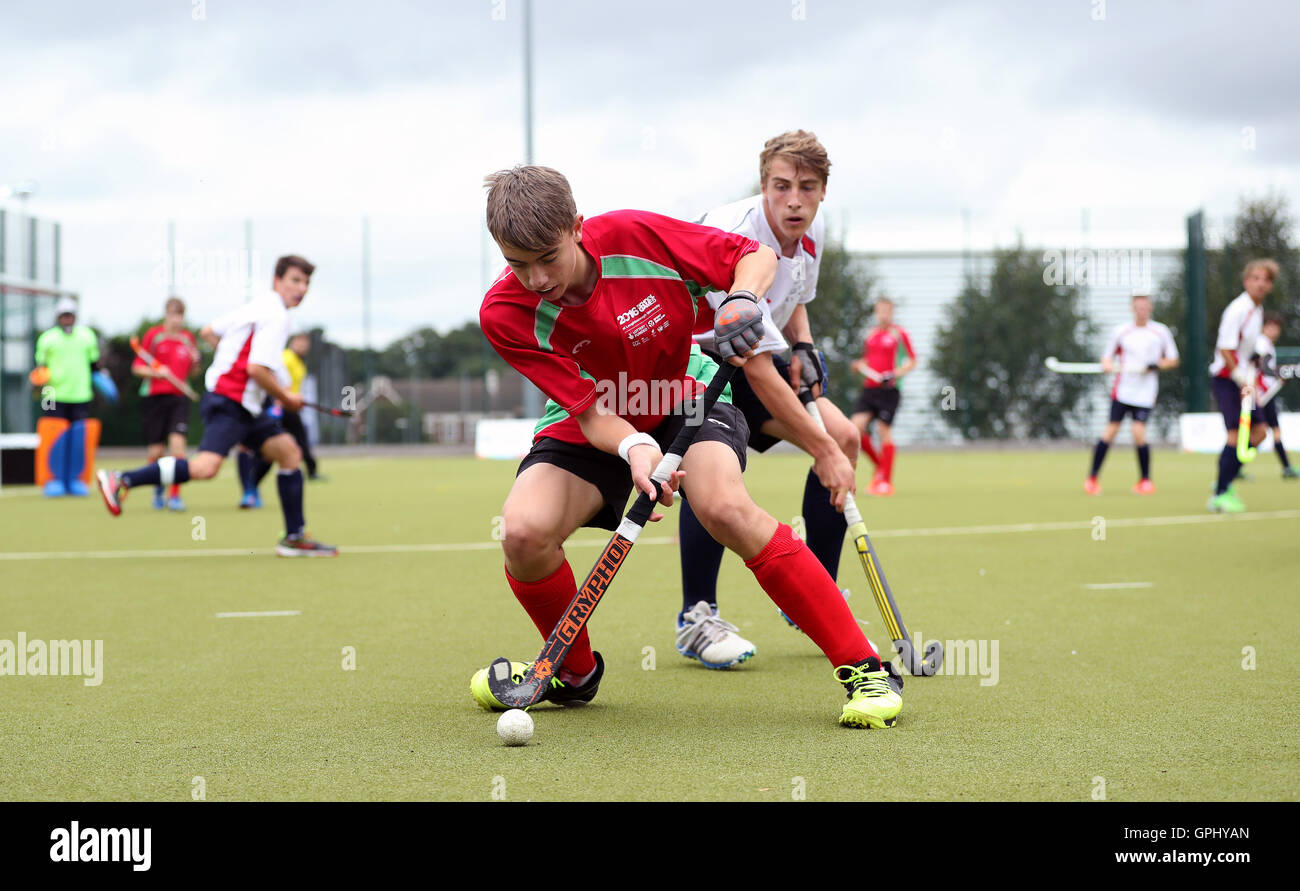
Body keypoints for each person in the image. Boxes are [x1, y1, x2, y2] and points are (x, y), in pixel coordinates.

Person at [468, 165, 901, 728]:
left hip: (687, 395)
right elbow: (592, 412)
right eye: (516, 263)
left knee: (724, 508)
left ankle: (864, 670)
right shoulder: (504, 312)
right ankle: (571, 671)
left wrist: (742, 300)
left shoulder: (635, 237)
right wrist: (636, 448)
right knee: (523, 533)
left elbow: (753, 255)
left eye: (548, 257)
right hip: (594, 419)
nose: (537, 278)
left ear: (577, 227)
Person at [673, 130, 859, 669]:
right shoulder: (731, 233)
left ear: (823, 191)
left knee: (845, 437)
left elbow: (795, 295)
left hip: (754, 356)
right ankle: (696, 617)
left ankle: (811, 597)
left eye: (807, 187)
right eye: (782, 187)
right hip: (691, 362)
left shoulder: (812, 229)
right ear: (764, 186)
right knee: (712, 470)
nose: (794, 200)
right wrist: (820, 450)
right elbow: (755, 367)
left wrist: (803, 343)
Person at [97, 255, 337, 556]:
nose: (301, 289)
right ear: (277, 281)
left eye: (306, 283)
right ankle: (122, 479)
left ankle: (293, 538)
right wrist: (286, 398)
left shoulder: (257, 306)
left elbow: (209, 331)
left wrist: (229, 361)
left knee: (289, 452)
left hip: (244, 404)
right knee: (204, 467)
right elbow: (256, 370)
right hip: (230, 401)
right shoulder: (277, 316)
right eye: (295, 280)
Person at [1083, 291, 1179, 495]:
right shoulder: (1121, 332)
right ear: (1132, 308)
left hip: (1145, 392)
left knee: (1138, 432)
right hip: (1123, 390)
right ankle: (1092, 478)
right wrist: (1107, 365)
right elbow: (1106, 357)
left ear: (1150, 308)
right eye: (1138, 307)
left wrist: (1157, 365)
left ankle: (1145, 480)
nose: (1141, 311)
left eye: (1145, 307)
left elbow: (1173, 359)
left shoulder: (1160, 332)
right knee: (1110, 431)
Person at [1207, 259, 1276, 513]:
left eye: (1265, 279)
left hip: (1243, 379)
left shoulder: (1257, 311)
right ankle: (1220, 494)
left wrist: (1255, 363)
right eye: (1255, 278)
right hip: (1227, 380)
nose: (1260, 283)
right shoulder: (1238, 309)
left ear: (1269, 285)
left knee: (1259, 433)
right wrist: (1240, 378)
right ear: (1246, 281)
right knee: (1235, 436)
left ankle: (1224, 479)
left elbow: (1245, 348)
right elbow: (1225, 348)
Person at [33, 297, 117, 496]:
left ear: (75, 316)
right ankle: (54, 480)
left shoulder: (86, 336)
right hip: (52, 394)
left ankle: (75, 479)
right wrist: (37, 382)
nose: (67, 319)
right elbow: (40, 368)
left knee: (78, 437)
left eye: (70, 315)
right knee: (53, 436)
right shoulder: (47, 338)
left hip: (80, 394)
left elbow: (94, 366)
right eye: (64, 315)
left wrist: (106, 385)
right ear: (58, 317)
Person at [131, 296, 200, 510]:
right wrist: (157, 372)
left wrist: (196, 361)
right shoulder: (154, 336)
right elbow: (137, 367)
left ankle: (175, 495)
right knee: (156, 451)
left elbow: (193, 372)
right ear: (166, 315)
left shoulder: (188, 339)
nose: (175, 319)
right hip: (154, 398)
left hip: (179, 399)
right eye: (172, 314)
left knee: (178, 445)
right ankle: (158, 488)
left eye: (179, 315)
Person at [849, 297, 915, 496]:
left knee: (882, 429)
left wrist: (894, 374)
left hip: (889, 390)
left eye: (887, 310)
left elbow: (911, 361)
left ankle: (885, 481)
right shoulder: (870, 335)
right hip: (869, 389)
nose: (883, 314)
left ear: (892, 312)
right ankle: (881, 467)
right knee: (854, 429)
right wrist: (859, 365)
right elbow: (867, 360)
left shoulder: (899, 334)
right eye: (880, 310)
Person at [1253, 311, 1296, 479]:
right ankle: (1235, 467)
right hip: (1259, 395)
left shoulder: (1268, 345)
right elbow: (1260, 367)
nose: (1274, 330)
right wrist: (1278, 374)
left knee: (1275, 431)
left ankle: (1286, 467)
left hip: (1268, 395)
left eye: (1276, 327)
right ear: (1263, 327)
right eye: (1270, 326)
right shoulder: (1261, 343)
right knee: (1259, 433)